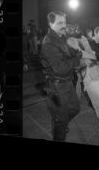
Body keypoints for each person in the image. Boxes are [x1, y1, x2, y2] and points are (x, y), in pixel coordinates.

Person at [40, 11, 82, 141]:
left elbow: (68, 52)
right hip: (55, 86)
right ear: (51, 23)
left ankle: (62, 124)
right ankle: (61, 127)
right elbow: (60, 68)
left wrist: (76, 52)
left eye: (64, 22)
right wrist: (79, 61)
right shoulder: (48, 43)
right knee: (60, 119)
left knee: (75, 109)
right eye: (60, 22)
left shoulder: (61, 36)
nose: (64, 25)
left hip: (67, 81)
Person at [66, 31, 99, 128]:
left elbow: (94, 56)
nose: (75, 43)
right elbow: (89, 57)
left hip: (98, 73)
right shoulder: (72, 52)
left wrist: (85, 44)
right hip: (88, 77)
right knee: (97, 103)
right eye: (72, 43)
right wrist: (84, 52)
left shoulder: (84, 46)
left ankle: (98, 106)